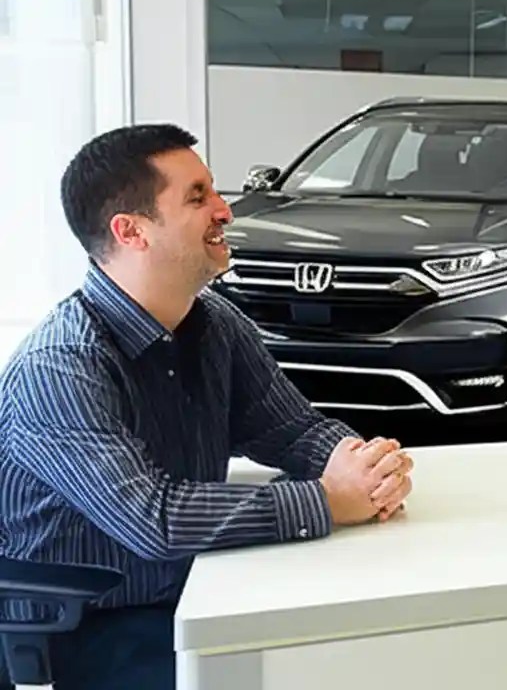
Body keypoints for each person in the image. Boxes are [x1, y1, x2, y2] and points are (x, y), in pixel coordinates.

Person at [0, 125, 415, 690]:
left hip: (198, 587)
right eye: (198, 197)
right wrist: (326, 499)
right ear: (131, 231)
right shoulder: (61, 365)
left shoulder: (214, 322)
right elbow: (154, 520)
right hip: (87, 626)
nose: (225, 210)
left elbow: (291, 430)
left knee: (356, 652)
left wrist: (364, 465)